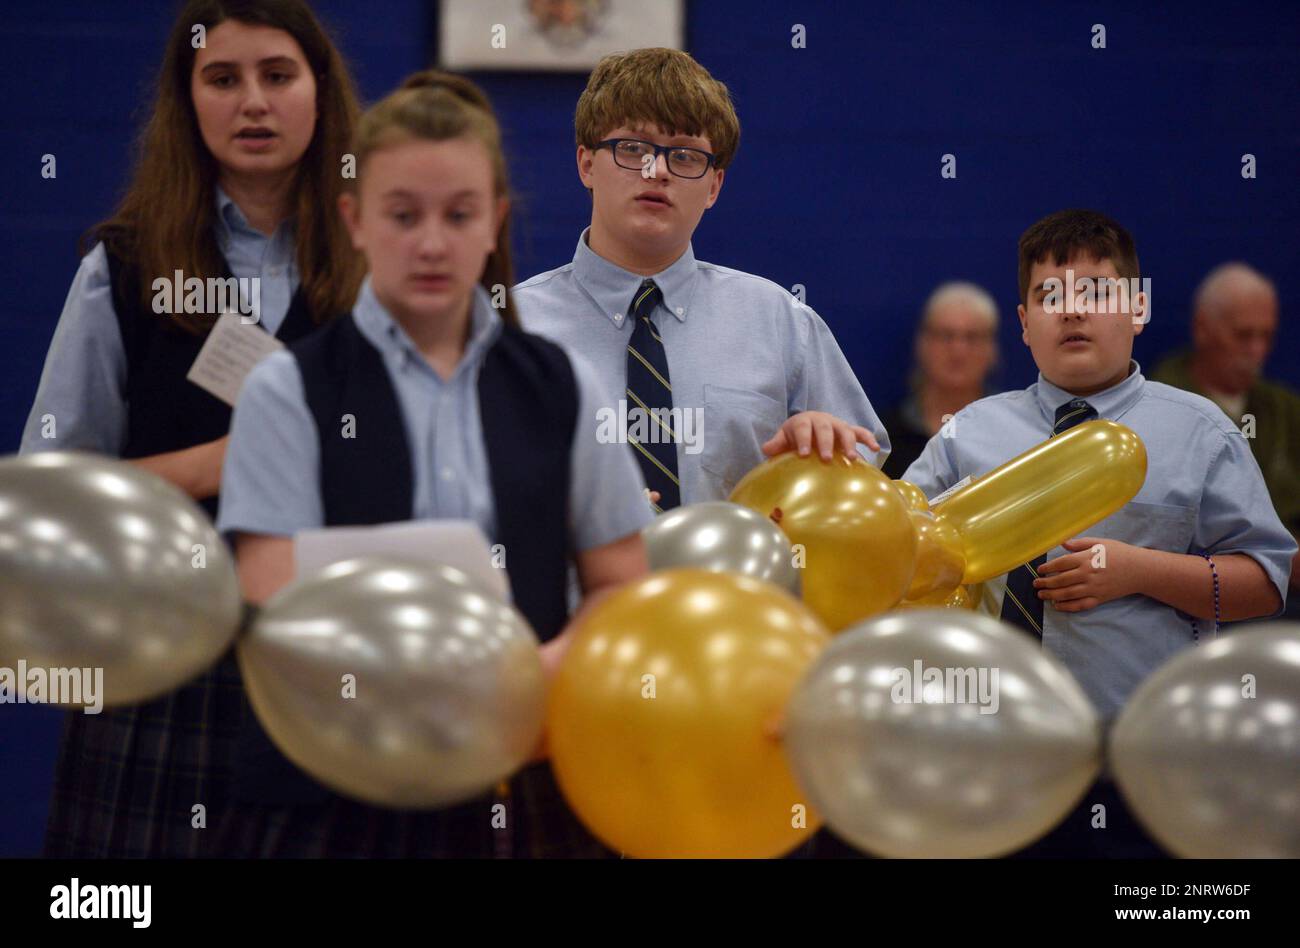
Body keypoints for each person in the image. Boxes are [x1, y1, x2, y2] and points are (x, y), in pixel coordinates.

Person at [215, 71, 653, 857]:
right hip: (330, 791)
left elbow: (620, 582)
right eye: (402, 214)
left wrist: (540, 674)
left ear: (496, 222)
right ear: (354, 220)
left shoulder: (559, 384)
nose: (430, 242)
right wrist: (404, 685)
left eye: (458, 215)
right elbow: (270, 590)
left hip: (513, 785)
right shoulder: (288, 388)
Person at [19, 0, 364, 858]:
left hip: (349, 669)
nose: (253, 102)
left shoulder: (389, 270)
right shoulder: (124, 265)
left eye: (278, 76)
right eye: (223, 78)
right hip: (164, 670)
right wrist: (216, 465)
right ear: (188, 99)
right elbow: (42, 507)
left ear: (320, 96)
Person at [904, 209, 1295, 857]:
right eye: (1049, 296)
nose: (1072, 311)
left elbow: (1266, 582)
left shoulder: (1198, 429)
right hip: (990, 754)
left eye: (1096, 292)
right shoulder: (969, 430)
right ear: (1024, 322)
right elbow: (900, 553)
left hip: (1142, 760)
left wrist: (1139, 570)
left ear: (1137, 309)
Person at [513, 48, 888, 511]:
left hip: (739, 582)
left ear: (714, 187)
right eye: (633, 148)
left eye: (686, 156)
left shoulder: (780, 322)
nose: (659, 170)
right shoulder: (512, 327)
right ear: (586, 164)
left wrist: (825, 463)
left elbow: (867, 490)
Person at [1151, 263, 1300, 616]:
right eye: (1243, 335)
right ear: (1202, 329)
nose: (1257, 351)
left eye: (1266, 336)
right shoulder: (1159, 409)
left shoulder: (1285, 409)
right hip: (1195, 604)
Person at [880, 281, 999, 479]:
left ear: (992, 350)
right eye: (946, 336)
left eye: (972, 337)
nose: (958, 351)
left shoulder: (1008, 430)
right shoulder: (884, 439)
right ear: (922, 344)